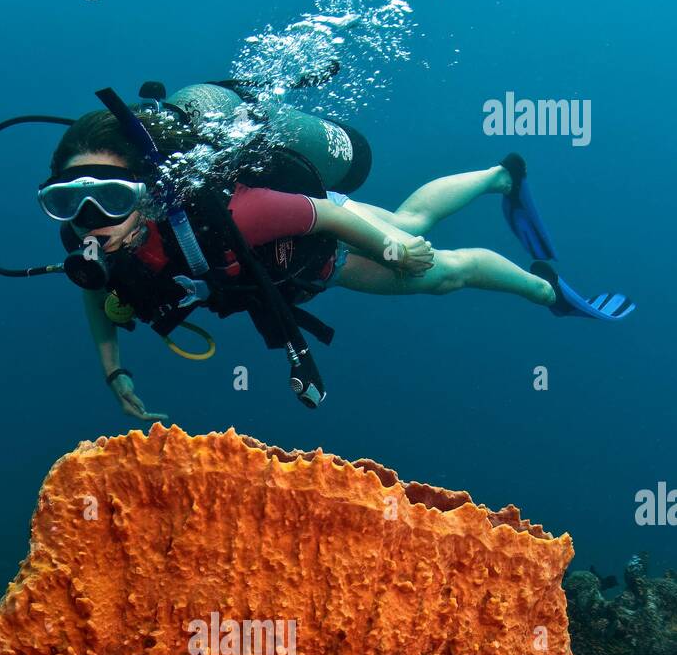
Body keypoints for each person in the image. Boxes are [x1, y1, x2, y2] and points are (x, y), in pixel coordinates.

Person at [38, 101, 634, 421]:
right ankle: (501, 183)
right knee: (419, 237)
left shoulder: (235, 212)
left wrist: (391, 251)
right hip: (295, 275)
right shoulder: (92, 240)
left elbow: (326, 217)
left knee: (430, 255)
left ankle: (545, 284)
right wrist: (113, 369)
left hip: (322, 244)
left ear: (147, 189)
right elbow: (97, 291)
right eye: (67, 203)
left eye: (110, 198)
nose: (91, 219)